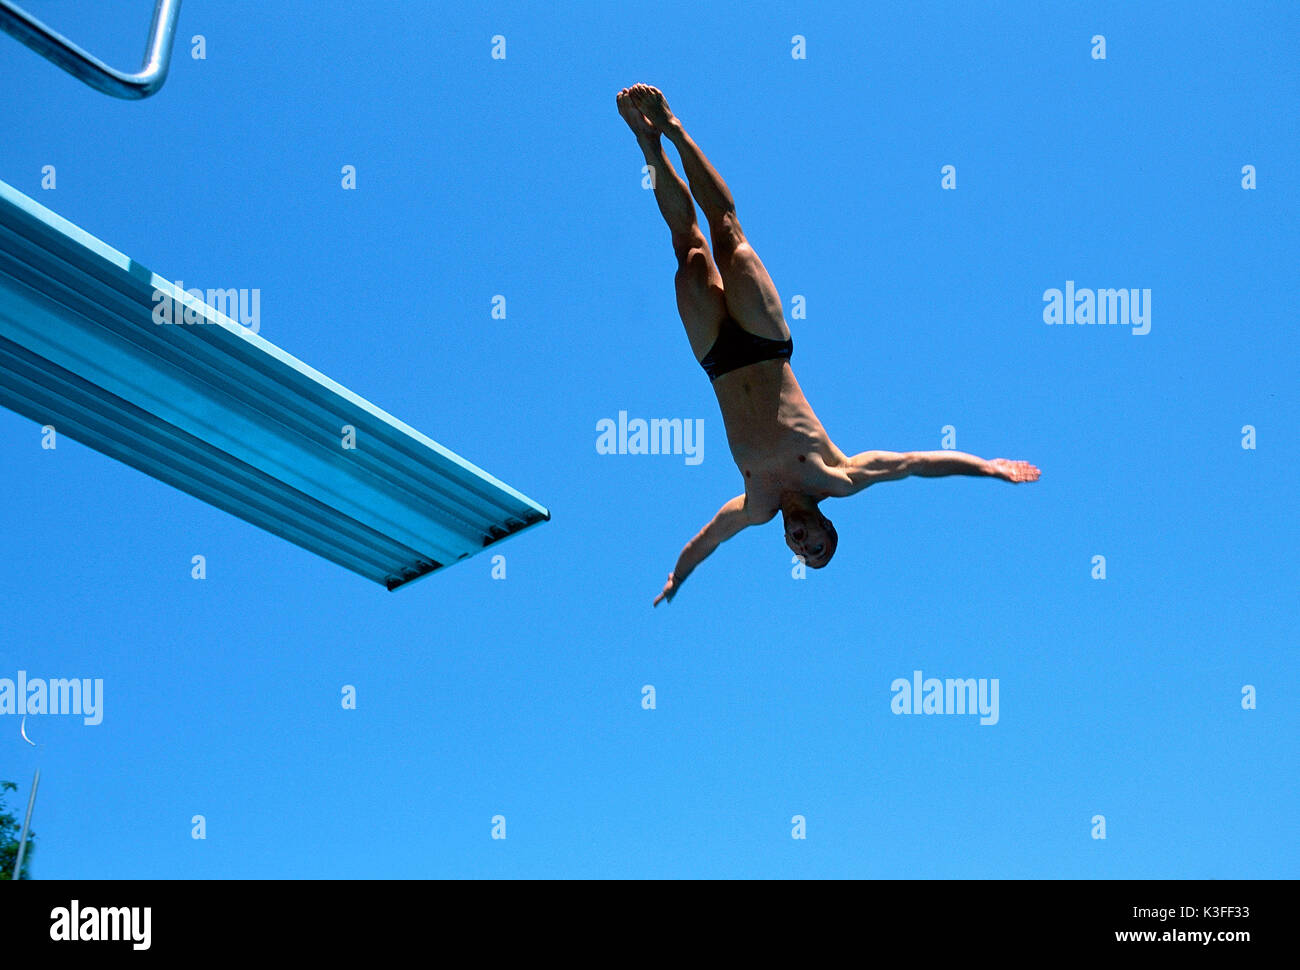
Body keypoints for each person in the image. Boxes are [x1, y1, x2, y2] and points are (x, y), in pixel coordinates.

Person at [615, 84, 1041, 606]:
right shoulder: (839, 476)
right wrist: (990, 467)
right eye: (816, 545)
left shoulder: (756, 505)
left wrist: (678, 576)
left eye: (801, 553)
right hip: (765, 343)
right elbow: (914, 463)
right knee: (727, 234)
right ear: (825, 524)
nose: (802, 545)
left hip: (718, 361)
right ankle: (674, 128)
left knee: (690, 253)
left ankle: (646, 142)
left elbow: (708, 538)